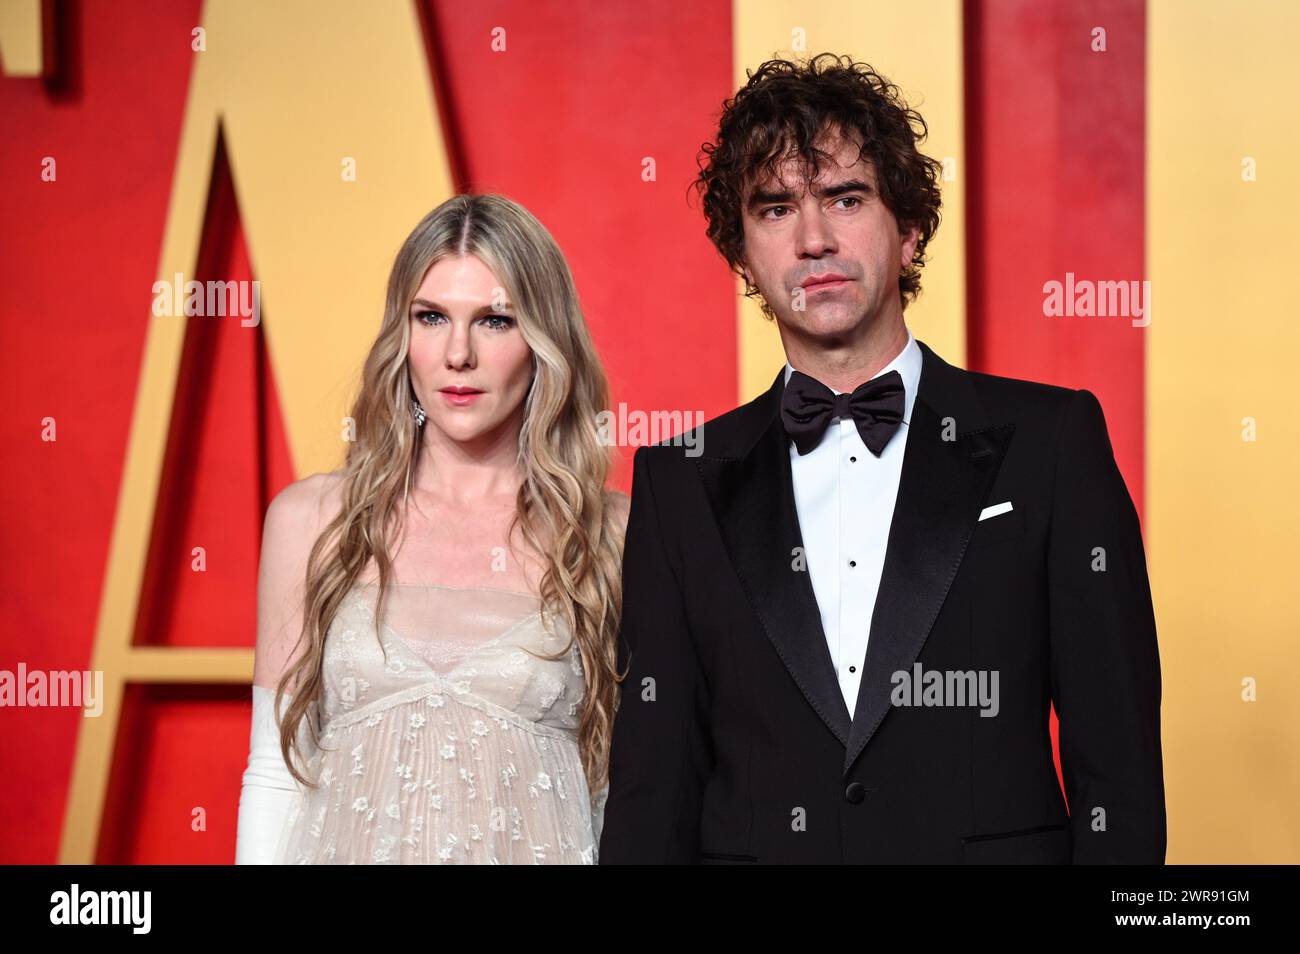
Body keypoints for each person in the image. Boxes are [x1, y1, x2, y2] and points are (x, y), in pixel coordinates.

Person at [598, 54, 1166, 864]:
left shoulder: (1052, 443)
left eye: (845, 197)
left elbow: (1119, 766)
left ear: (909, 230)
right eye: (774, 208)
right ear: (742, 253)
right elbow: (655, 786)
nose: (814, 238)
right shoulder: (677, 477)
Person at [236, 194, 628, 864]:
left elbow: (624, 797)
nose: (457, 353)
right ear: (402, 332)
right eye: (432, 316)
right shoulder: (312, 522)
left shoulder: (614, 534)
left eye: (496, 321)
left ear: (544, 340)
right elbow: (276, 774)